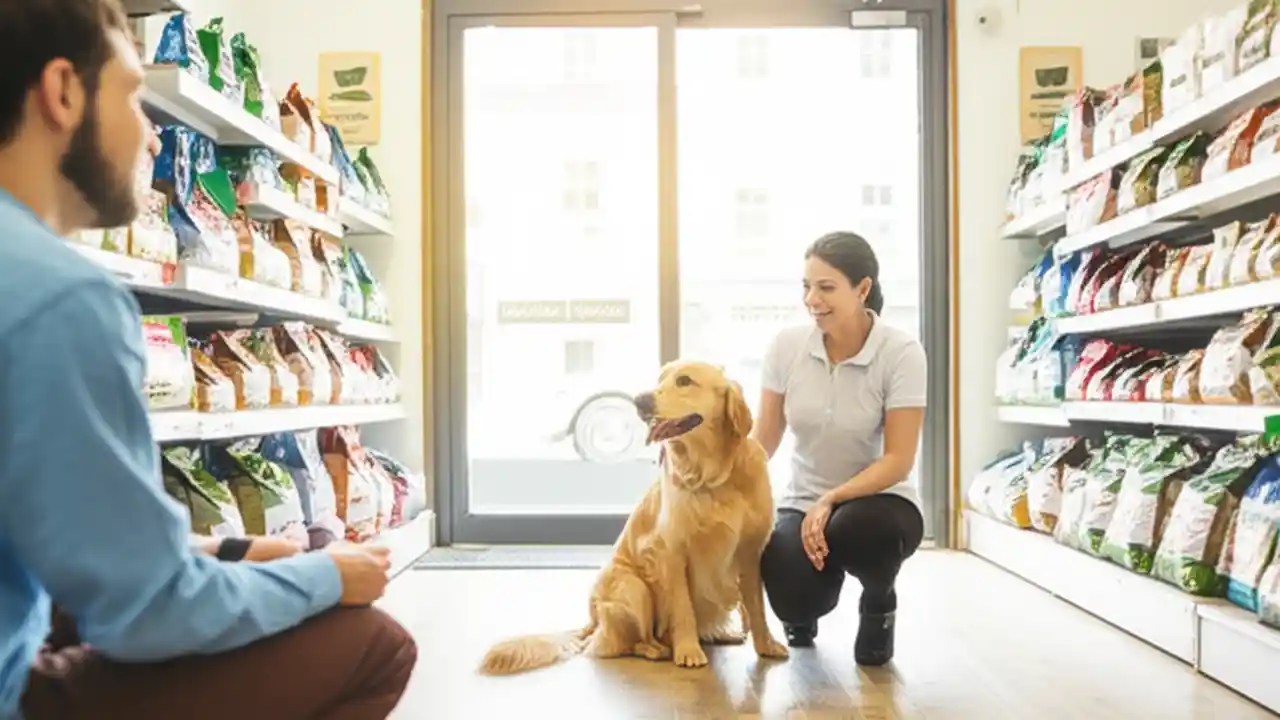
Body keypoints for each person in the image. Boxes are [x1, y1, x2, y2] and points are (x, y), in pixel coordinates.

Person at [0, 1, 417, 718]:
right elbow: (147, 617)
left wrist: (229, 553)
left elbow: (60, 536)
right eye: (133, 93)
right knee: (373, 642)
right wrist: (326, 576)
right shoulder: (58, 296)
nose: (155, 139)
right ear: (62, 92)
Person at [751, 231, 927, 667]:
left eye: (826, 287)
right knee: (792, 596)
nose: (812, 299)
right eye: (807, 286)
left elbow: (899, 460)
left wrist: (831, 500)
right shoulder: (787, 347)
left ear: (862, 288)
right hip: (802, 502)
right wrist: (710, 472)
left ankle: (878, 602)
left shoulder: (901, 352)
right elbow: (764, 439)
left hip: (877, 503)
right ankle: (805, 608)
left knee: (862, 529)